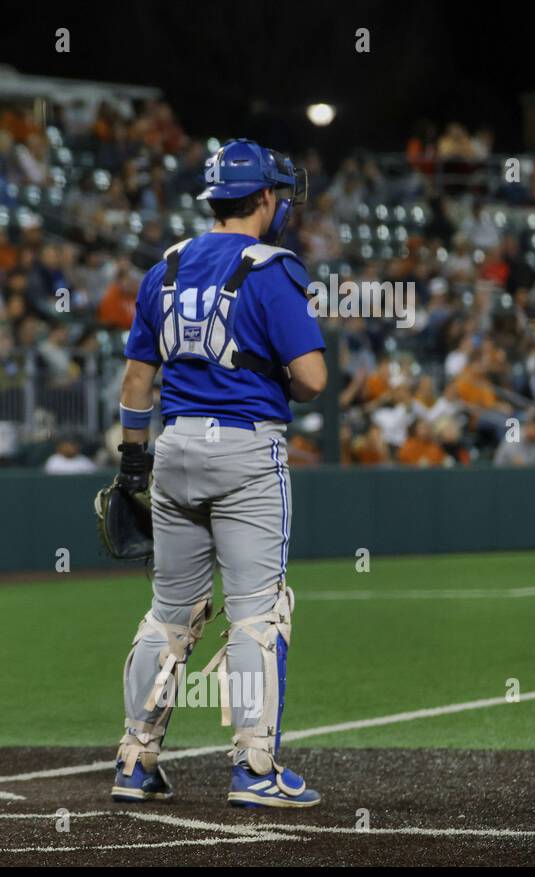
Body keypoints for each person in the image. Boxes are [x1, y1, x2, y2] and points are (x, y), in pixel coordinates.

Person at [111, 139, 327, 810]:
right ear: (264, 198)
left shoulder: (166, 267)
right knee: (259, 615)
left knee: (170, 616)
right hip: (245, 451)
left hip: (173, 451)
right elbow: (313, 380)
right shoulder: (272, 269)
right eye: (280, 195)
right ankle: (255, 769)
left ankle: (135, 760)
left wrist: (131, 463)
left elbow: (137, 379)